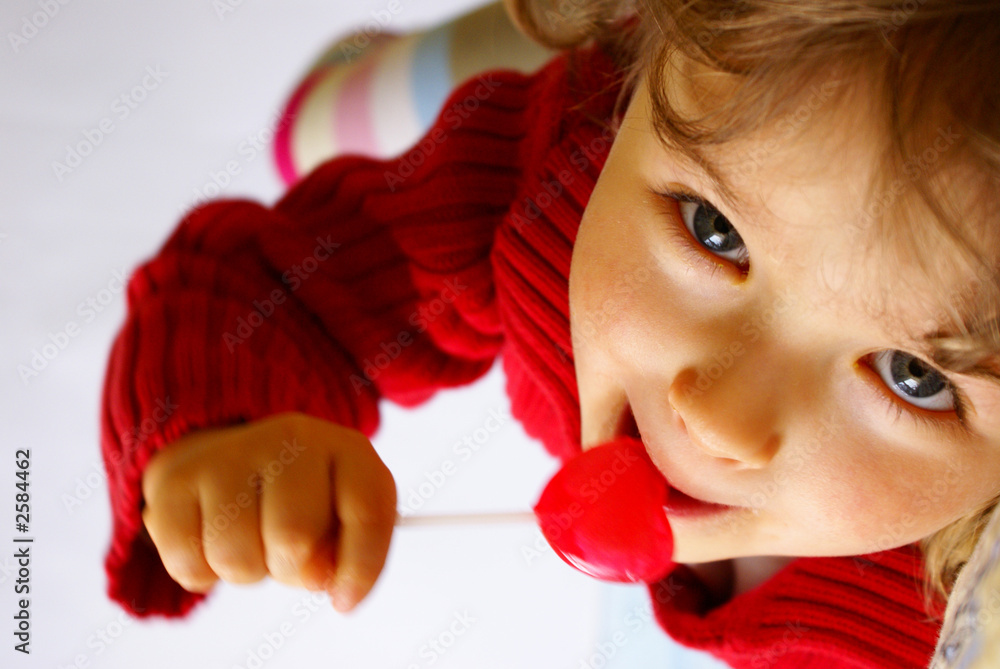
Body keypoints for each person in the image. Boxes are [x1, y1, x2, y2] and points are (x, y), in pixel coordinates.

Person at [98, 1, 1000, 667]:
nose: (715, 417)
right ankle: (380, 80)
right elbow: (273, 290)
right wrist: (222, 432)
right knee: (443, 82)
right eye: (711, 228)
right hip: (587, 51)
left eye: (912, 375)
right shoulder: (557, 169)